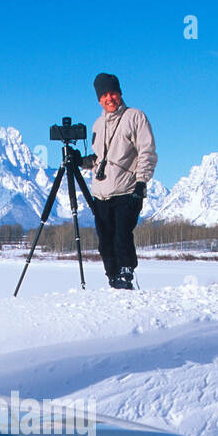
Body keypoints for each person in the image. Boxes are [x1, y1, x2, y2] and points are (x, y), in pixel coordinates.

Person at [83, 73, 157, 289]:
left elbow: (147, 152)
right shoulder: (97, 124)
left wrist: (141, 183)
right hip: (101, 193)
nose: (109, 99)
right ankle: (113, 278)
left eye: (113, 93)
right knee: (105, 242)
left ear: (120, 93)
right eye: (104, 95)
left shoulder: (135, 117)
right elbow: (101, 158)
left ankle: (126, 275)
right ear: (99, 99)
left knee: (121, 236)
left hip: (127, 190)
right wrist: (85, 161)